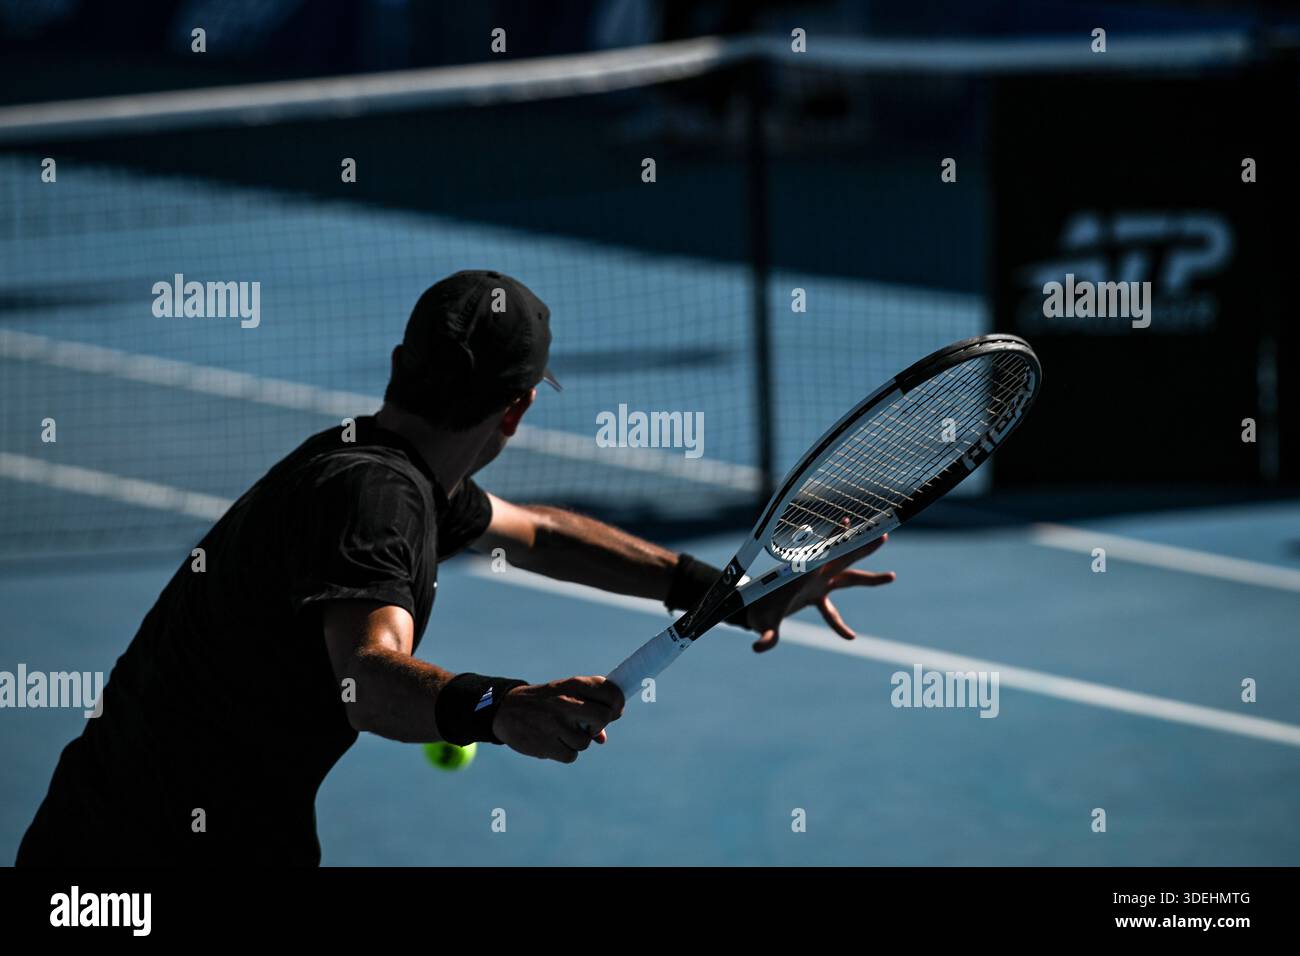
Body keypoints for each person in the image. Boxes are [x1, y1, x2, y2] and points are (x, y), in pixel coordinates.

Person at [17, 270, 894, 865]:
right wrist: (500, 708)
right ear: (516, 413)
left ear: (402, 366)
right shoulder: (382, 504)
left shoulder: (384, 466)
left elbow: (539, 533)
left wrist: (718, 592)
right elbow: (368, 679)